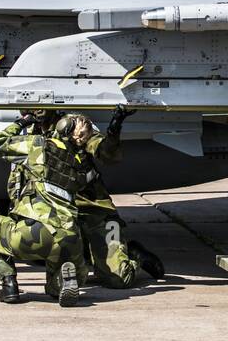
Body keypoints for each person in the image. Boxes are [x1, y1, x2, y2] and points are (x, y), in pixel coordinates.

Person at [0, 111, 94, 306]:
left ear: (63, 125)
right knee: (60, 280)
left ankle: (9, 285)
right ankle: (62, 282)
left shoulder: (39, 146)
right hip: (70, 238)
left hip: (37, 232)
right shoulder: (82, 165)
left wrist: (22, 122)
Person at [66, 107, 166, 288]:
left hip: (94, 212)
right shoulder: (29, 131)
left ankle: (134, 255)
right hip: (60, 214)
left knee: (118, 278)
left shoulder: (74, 127)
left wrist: (114, 127)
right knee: (72, 278)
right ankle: (85, 257)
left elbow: (107, 153)